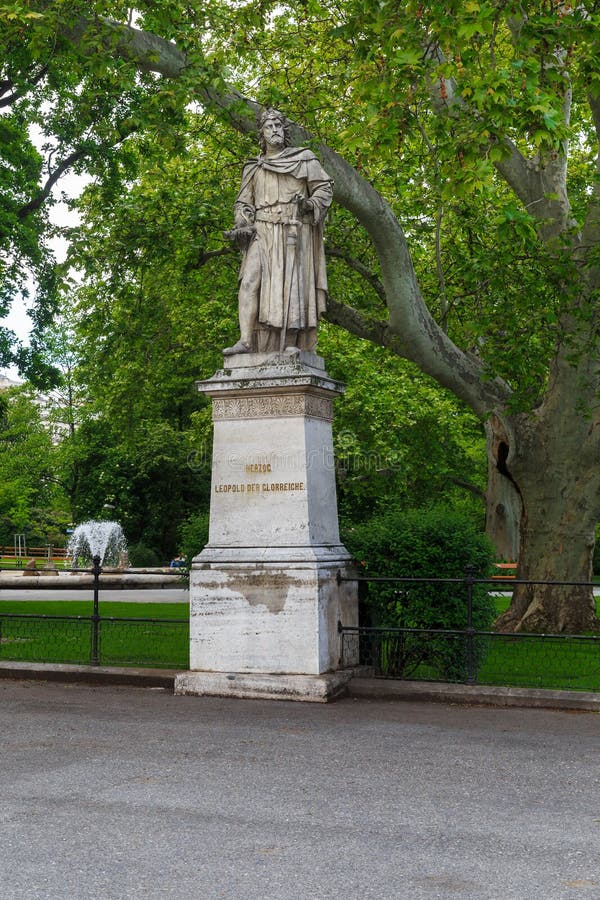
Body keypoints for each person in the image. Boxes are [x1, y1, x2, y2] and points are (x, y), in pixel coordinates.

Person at [224, 108, 334, 356]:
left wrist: (309, 204)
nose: (274, 130)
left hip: (293, 229)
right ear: (261, 134)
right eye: (269, 126)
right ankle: (246, 341)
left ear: (284, 132)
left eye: (278, 126)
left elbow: (324, 189)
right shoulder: (254, 167)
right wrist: (243, 223)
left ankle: (291, 342)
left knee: (292, 285)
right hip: (262, 231)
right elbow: (243, 203)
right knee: (249, 281)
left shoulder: (304, 159)